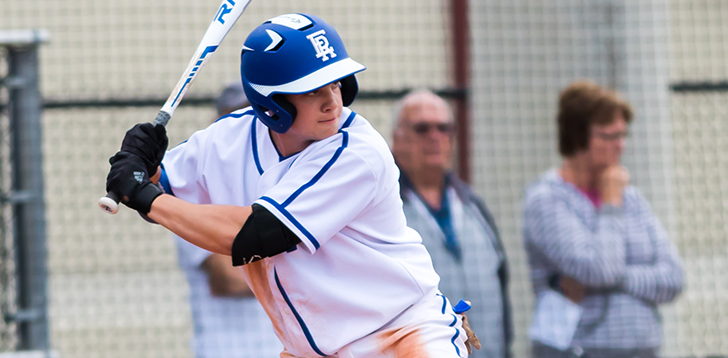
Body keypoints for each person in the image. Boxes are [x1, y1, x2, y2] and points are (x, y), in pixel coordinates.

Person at [106, 13, 479, 358]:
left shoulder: (358, 152)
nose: (332, 101)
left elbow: (257, 235)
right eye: (312, 90)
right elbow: (165, 199)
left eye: (335, 84)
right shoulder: (226, 140)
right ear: (271, 102)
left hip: (400, 335)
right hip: (312, 350)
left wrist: (144, 194)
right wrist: (144, 171)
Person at [523, 81, 685, 358]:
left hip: (643, 349)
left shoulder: (630, 198)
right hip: (581, 349)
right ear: (577, 138)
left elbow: (673, 277)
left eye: (622, 135)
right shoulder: (547, 200)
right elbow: (601, 270)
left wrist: (619, 280)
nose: (619, 146)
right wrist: (610, 202)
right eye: (608, 136)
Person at [391, 89, 512, 358]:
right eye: (422, 128)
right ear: (397, 140)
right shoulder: (385, 209)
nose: (435, 137)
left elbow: (501, 286)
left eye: (444, 128)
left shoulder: (473, 204)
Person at [171, 82, 283, 358]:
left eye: (255, 118)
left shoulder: (282, 183)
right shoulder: (193, 193)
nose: (245, 129)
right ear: (216, 125)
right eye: (235, 119)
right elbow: (229, 280)